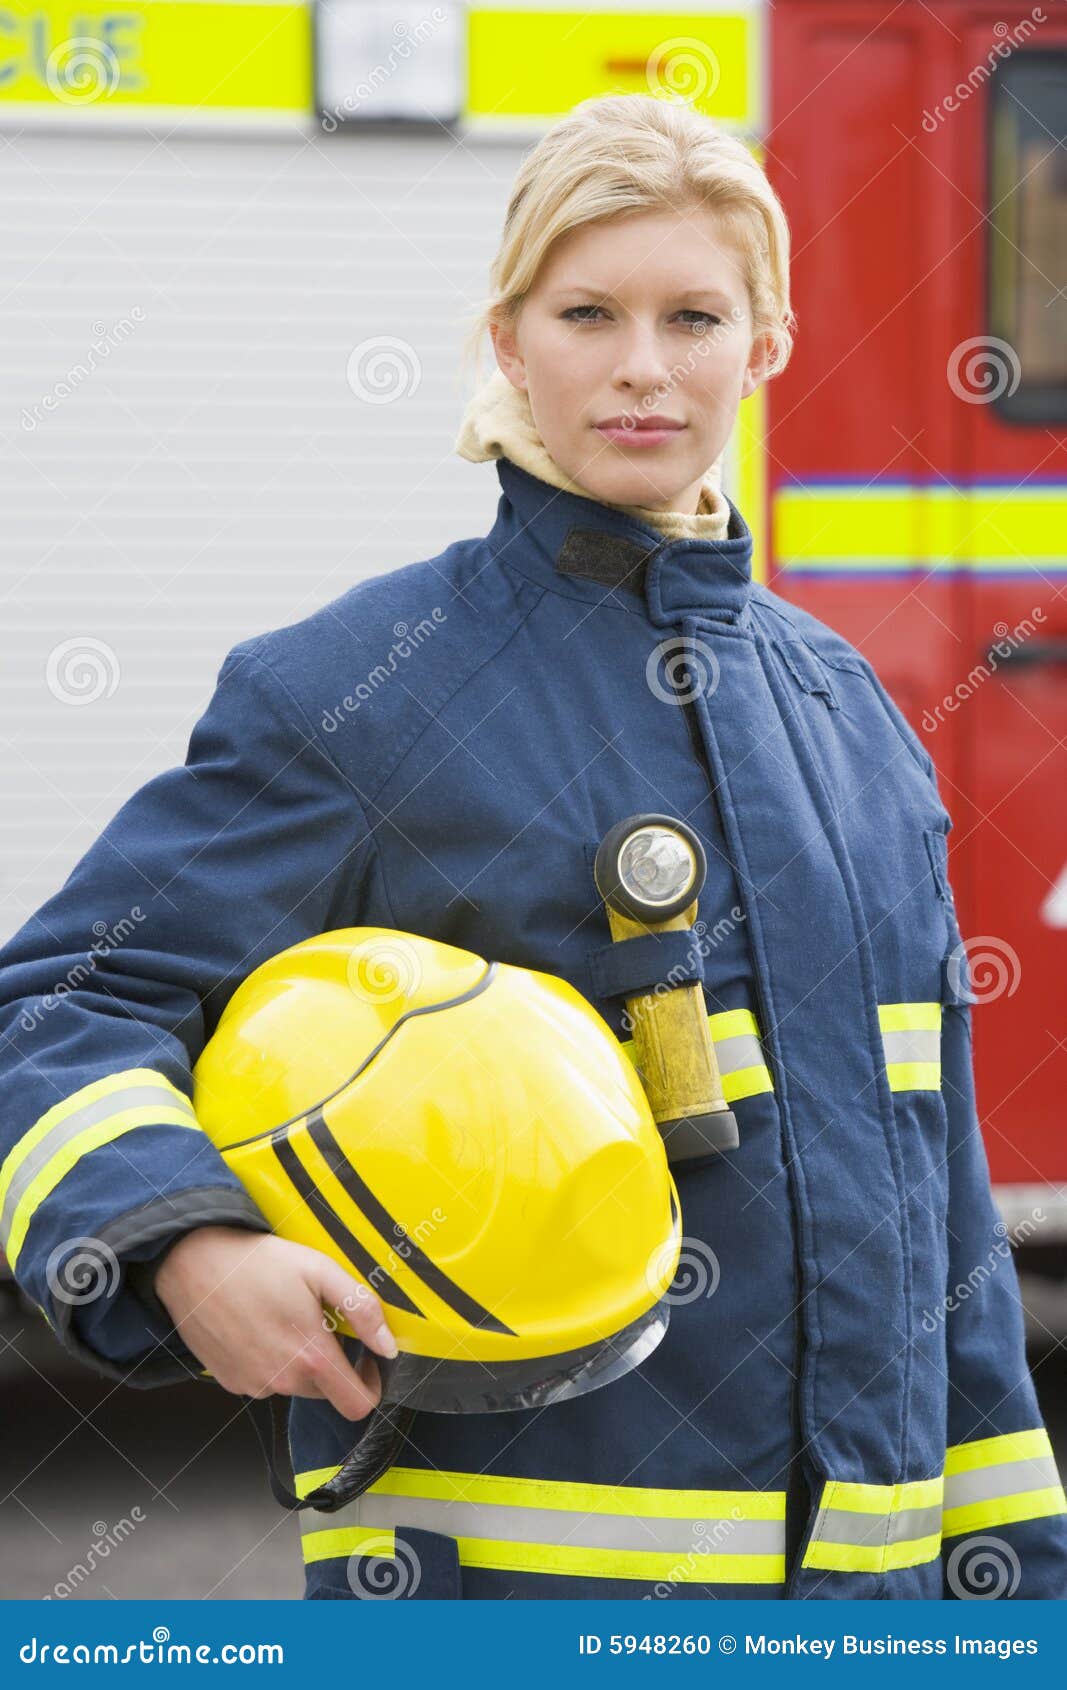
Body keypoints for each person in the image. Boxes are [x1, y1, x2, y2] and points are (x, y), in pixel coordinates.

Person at [1, 92, 1065, 1603]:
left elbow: (947, 1213)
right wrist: (185, 1245)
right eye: (588, 314)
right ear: (509, 343)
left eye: (694, 317)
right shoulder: (363, 695)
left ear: (765, 344)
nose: (643, 366)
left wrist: (1018, 1583)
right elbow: (60, 1005)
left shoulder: (855, 722)